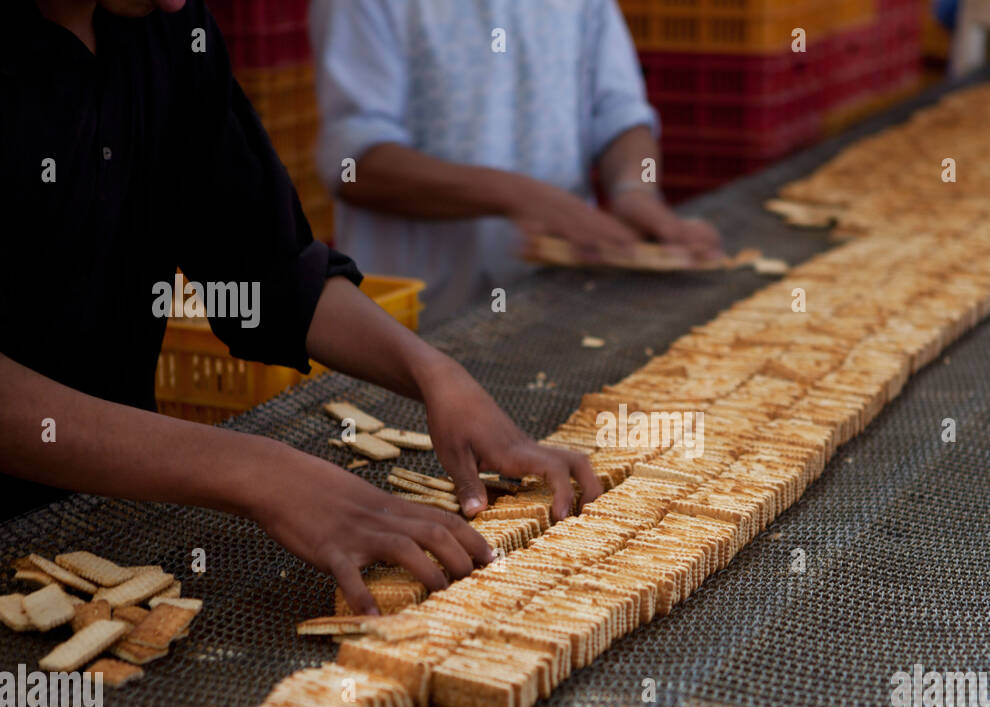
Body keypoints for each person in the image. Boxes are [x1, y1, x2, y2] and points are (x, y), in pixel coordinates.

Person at [0, 0, 602, 615]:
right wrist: (253, 470)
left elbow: (269, 268)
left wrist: (433, 372)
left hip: (114, 509)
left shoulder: (167, 30)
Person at [310, 0, 725, 319]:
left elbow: (618, 111)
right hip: (419, 319)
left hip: (559, 301)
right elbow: (354, 161)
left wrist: (635, 190)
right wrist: (517, 195)